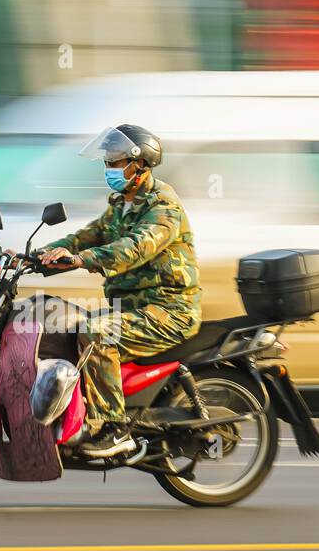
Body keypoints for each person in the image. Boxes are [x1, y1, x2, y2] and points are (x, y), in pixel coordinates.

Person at [39, 124, 201, 458]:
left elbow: (136, 247)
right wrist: (37, 255)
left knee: (97, 333)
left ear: (139, 165)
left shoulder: (163, 207)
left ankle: (114, 429)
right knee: (65, 328)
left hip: (169, 310)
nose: (109, 168)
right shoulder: (121, 204)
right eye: (107, 161)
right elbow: (86, 236)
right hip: (132, 308)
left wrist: (82, 259)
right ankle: (75, 419)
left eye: (115, 161)